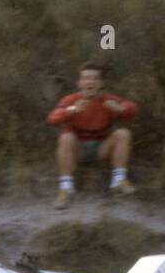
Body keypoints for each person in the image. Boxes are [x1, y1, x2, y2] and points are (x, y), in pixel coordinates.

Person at [46, 62, 138, 210]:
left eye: (95, 78)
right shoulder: (71, 100)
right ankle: (65, 189)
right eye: (86, 78)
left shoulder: (107, 99)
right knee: (65, 137)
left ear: (101, 83)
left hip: (102, 148)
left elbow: (133, 109)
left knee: (123, 133)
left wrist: (121, 108)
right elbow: (52, 118)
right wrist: (72, 110)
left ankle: (119, 180)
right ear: (80, 82)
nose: (90, 82)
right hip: (79, 150)